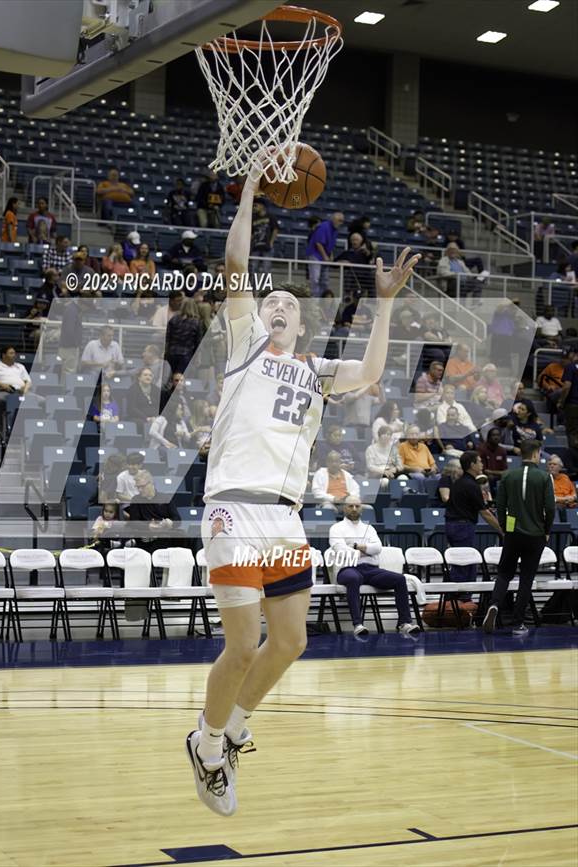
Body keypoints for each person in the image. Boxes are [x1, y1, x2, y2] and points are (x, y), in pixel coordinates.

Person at [186, 168, 420, 817]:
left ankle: (231, 728)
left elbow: (371, 370)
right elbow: (236, 263)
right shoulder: (243, 347)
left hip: (284, 518)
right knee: (242, 644)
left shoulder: (316, 371)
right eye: (272, 302)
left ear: (302, 322)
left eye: (290, 303)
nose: (280, 306)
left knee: (290, 641)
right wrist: (250, 192)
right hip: (234, 506)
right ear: (258, 316)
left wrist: (385, 303)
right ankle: (207, 744)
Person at [483, 440, 556, 636]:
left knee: (504, 573)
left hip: (513, 533)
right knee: (526, 578)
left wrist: (504, 528)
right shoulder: (544, 477)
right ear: (536, 454)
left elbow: (500, 505)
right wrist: (547, 530)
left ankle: (494, 604)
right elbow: (550, 508)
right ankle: (518, 623)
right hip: (536, 534)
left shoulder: (508, 475)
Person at [329, 497, 420, 637]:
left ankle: (404, 623)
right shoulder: (336, 528)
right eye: (350, 506)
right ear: (344, 508)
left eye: (357, 506)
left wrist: (356, 546)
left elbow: (377, 548)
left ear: (361, 508)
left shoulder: (369, 528)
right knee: (353, 578)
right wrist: (366, 550)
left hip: (371, 570)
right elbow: (340, 549)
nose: (354, 509)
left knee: (400, 579)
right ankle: (357, 624)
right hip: (347, 569)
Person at [445, 451, 503, 586]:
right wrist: (501, 529)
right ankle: (460, 595)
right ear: (472, 465)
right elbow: (485, 513)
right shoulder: (471, 485)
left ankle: (458, 594)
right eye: (479, 461)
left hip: (453, 525)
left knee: (461, 563)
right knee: (464, 563)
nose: (482, 464)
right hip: (462, 527)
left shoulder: (459, 482)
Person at [0, 345, 32, 424]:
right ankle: (1, 422)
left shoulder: (20, 366)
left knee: (42, 401)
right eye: (11, 353)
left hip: (21, 392)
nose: (14, 355)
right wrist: (3, 385)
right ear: (4, 355)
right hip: (5, 392)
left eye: (14, 353)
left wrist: (25, 389)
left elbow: (28, 381)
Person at [305, 212, 344, 296]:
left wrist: (330, 256)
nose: (341, 223)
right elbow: (318, 243)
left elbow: (331, 245)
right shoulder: (324, 227)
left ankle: (323, 299)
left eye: (342, 221)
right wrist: (325, 256)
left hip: (324, 256)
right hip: (315, 255)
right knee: (315, 279)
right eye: (339, 220)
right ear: (333, 219)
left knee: (325, 280)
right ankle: (314, 299)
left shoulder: (335, 230)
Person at [166, 297, 203, 374]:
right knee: (180, 378)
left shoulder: (173, 319)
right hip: (186, 354)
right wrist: (198, 357)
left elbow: (168, 337)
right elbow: (198, 342)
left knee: (170, 376)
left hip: (172, 353)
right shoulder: (196, 322)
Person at [336, 232, 374, 297]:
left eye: (356, 240)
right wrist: (343, 261)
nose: (354, 242)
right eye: (353, 240)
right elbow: (334, 263)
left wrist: (367, 252)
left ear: (361, 241)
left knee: (373, 279)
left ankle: (372, 299)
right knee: (349, 274)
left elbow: (372, 258)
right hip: (352, 277)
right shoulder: (346, 253)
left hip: (365, 278)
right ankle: (347, 296)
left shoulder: (365, 253)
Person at [365, 425, 404, 489]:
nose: (386, 436)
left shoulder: (393, 449)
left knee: (403, 478)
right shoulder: (371, 449)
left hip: (392, 472)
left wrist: (395, 469)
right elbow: (370, 466)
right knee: (385, 480)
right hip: (377, 474)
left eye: (389, 434)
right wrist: (384, 471)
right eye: (384, 434)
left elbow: (400, 465)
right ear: (379, 435)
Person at [127, 367, 160, 432]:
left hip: (154, 417)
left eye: (150, 375)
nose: (148, 377)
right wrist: (146, 418)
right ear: (139, 377)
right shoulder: (133, 389)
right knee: (145, 424)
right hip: (139, 417)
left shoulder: (156, 389)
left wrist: (156, 417)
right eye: (145, 375)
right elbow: (132, 408)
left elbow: (159, 406)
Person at [250, 201, 279, 275]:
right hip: (255, 247)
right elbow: (251, 232)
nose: (254, 207)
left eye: (256, 205)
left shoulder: (270, 216)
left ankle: (265, 283)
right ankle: (253, 283)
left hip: (267, 247)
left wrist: (271, 242)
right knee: (253, 268)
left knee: (266, 269)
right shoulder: (253, 217)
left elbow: (275, 229)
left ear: (262, 206)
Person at [558, 344, 578, 450]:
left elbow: (566, 386)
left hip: (573, 404)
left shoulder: (570, 367)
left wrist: (561, 401)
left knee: (572, 433)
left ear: (573, 354)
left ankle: (574, 457)